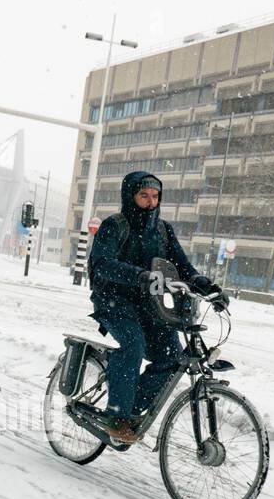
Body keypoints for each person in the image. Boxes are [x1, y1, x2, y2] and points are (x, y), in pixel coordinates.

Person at [85, 170, 223, 443]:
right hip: (114, 301)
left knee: (173, 356)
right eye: (143, 195)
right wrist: (138, 275)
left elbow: (182, 266)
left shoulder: (162, 229)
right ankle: (117, 416)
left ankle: (130, 406)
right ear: (130, 196)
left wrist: (204, 285)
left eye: (155, 196)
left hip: (150, 305)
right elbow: (101, 264)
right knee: (133, 345)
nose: (150, 202)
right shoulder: (115, 226)